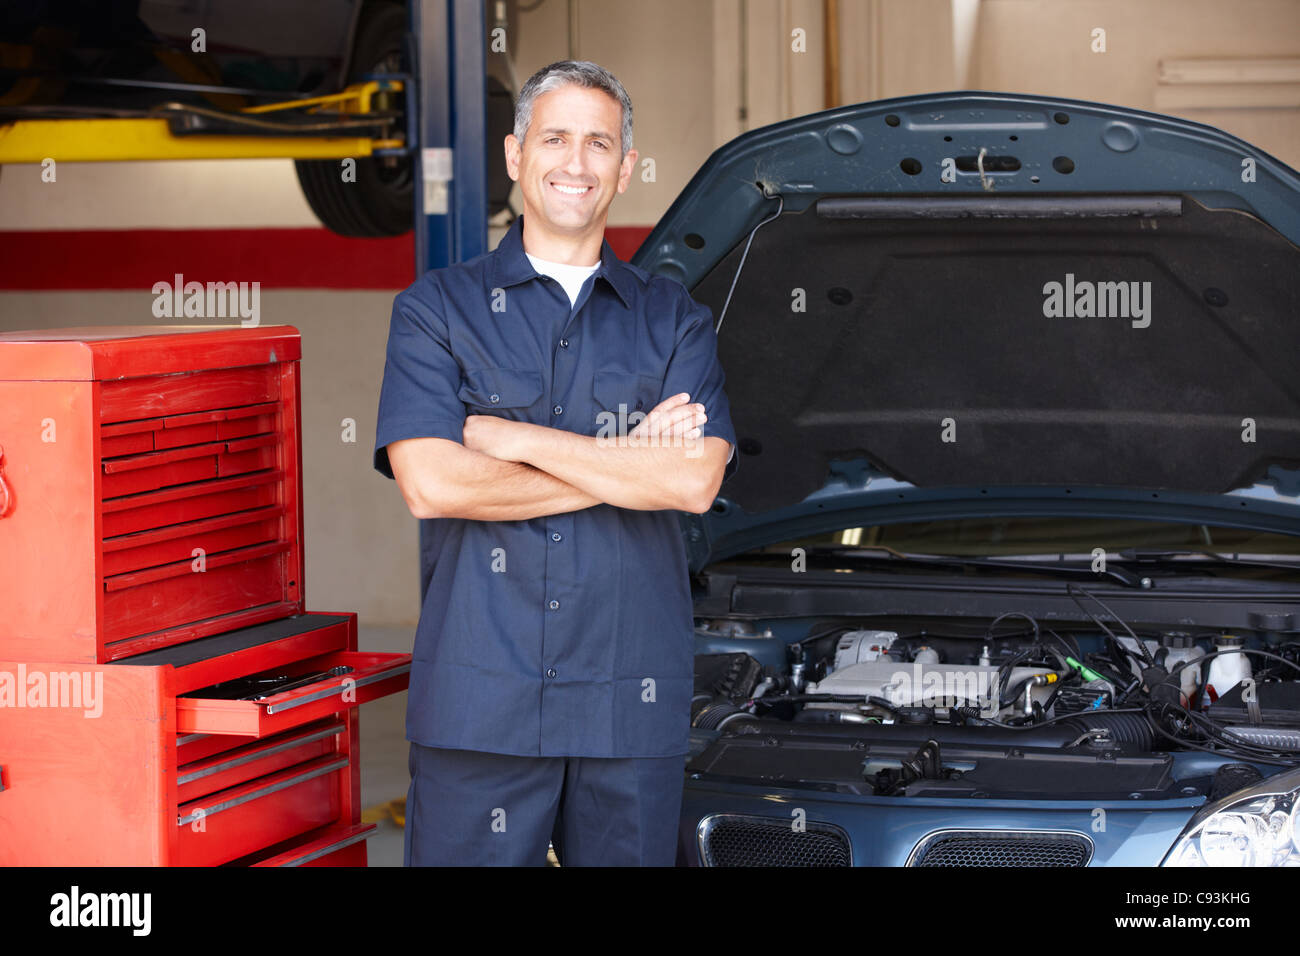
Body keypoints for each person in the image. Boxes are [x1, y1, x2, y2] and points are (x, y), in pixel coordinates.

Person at [373, 59, 737, 866]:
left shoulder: (673, 319)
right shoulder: (436, 310)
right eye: (556, 138)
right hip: (481, 704)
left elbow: (690, 480)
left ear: (625, 168)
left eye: (599, 144)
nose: (576, 164)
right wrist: (622, 467)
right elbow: (433, 487)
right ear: (514, 154)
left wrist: (513, 438)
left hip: (627, 703)